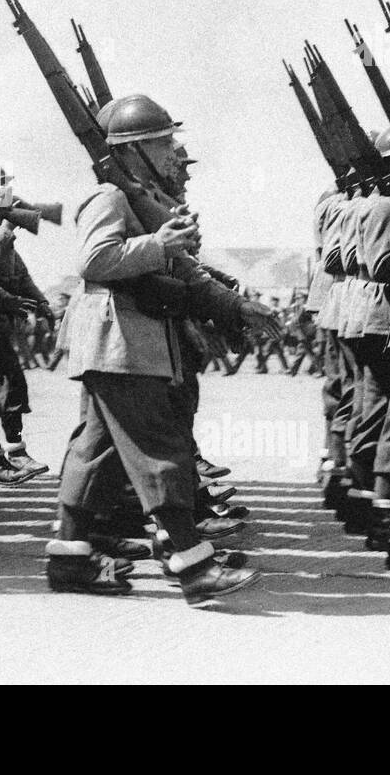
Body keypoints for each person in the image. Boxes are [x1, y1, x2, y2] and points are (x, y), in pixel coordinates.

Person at [47, 93, 276, 603]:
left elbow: (188, 276)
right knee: (159, 449)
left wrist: (238, 308)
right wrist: (158, 245)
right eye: (164, 142)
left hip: (131, 343)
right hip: (120, 341)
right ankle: (194, 568)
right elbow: (95, 260)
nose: (175, 152)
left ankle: (69, 561)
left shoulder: (146, 199)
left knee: (96, 453)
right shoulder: (110, 197)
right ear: (134, 150)